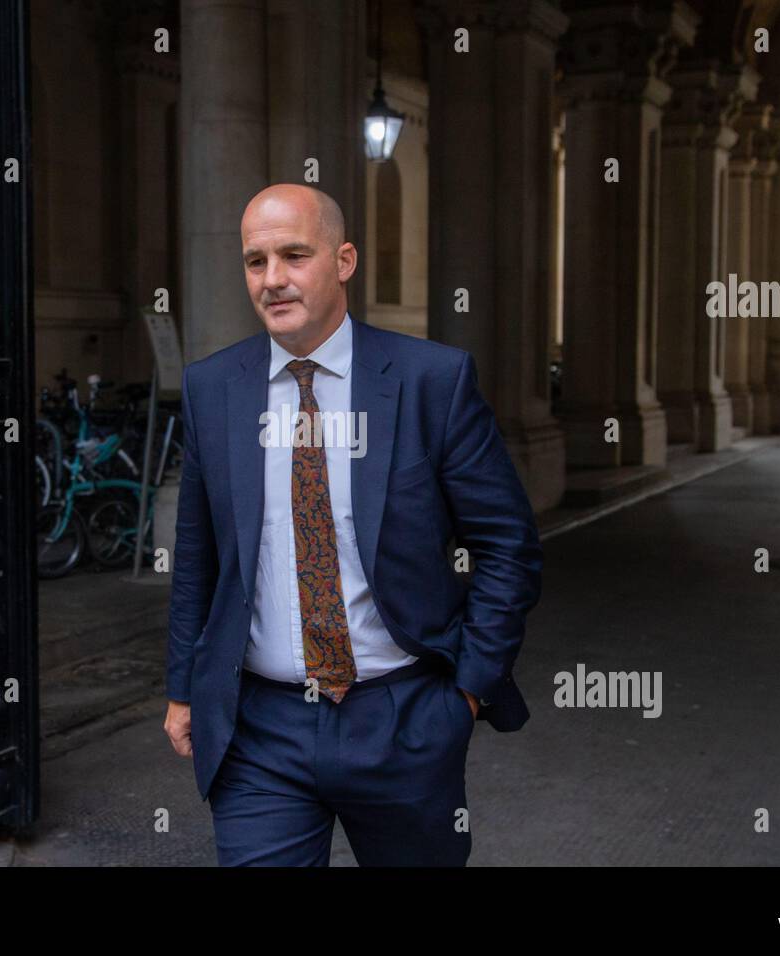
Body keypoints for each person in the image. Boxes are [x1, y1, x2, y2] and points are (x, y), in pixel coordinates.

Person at [162, 183, 543, 866]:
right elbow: (199, 555)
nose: (272, 279)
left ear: (343, 260)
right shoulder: (213, 389)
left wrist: (465, 695)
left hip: (402, 719)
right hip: (260, 731)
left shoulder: (433, 381)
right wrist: (183, 688)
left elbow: (507, 545)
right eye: (255, 261)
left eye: (293, 255)